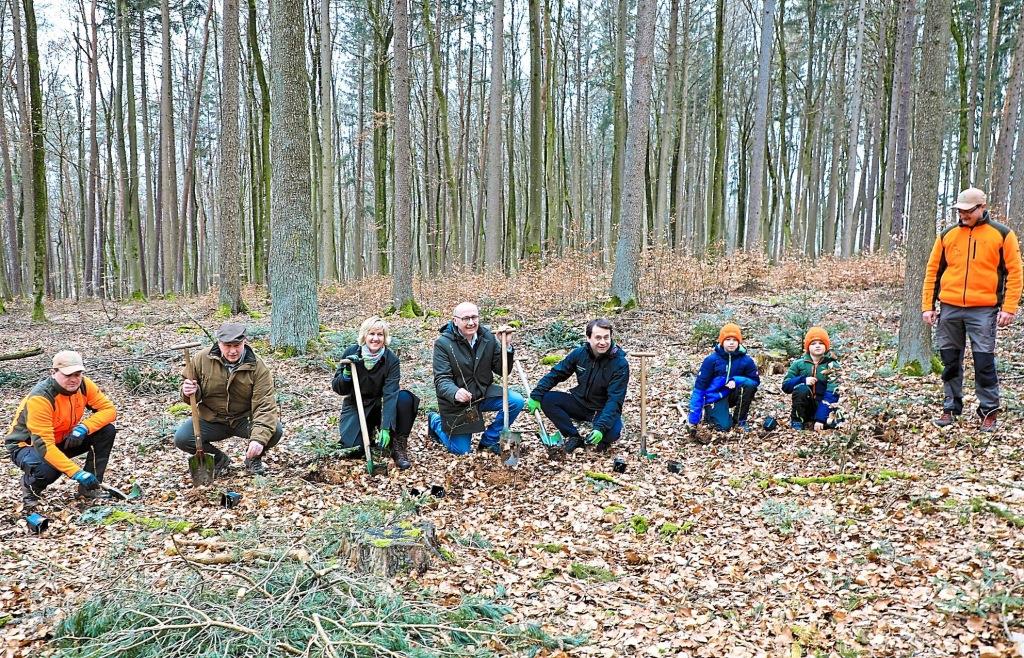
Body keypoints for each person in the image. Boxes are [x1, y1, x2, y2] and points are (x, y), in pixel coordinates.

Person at [922, 187, 1022, 431]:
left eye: (968, 210)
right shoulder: (947, 235)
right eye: (960, 210)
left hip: (984, 309)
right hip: (949, 308)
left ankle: (989, 411)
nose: (963, 214)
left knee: (984, 362)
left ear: (982, 208)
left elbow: (1015, 272)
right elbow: (933, 271)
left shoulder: (1002, 234)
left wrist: (1009, 307)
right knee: (950, 362)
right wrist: (928, 306)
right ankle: (950, 408)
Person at [6, 350, 118, 510]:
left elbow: (109, 410)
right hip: (27, 446)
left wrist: (84, 427)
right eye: (68, 375)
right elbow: (44, 446)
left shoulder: (84, 385)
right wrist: (76, 472)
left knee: (106, 431)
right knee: (49, 469)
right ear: (53, 372)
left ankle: (90, 487)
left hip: (63, 438)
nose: (74, 379)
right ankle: (31, 489)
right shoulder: (41, 398)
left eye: (77, 374)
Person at [174, 322, 283, 475]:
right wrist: (189, 391)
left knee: (274, 431)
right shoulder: (201, 359)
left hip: (244, 419)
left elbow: (264, 405)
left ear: (244, 342)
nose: (232, 351)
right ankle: (219, 460)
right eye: (227, 346)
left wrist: (258, 439)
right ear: (219, 343)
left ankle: (253, 458)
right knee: (183, 438)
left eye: (237, 345)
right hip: (212, 418)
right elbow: (188, 392)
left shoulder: (258, 367)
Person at [428, 302, 521, 455]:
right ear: (455, 320)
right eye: (466, 318)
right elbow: (441, 379)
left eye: (474, 317)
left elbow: (501, 370)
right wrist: (455, 392)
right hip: (459, 401)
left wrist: (506, 346)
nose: (471, 322)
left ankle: (489, 441)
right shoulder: (443, 344)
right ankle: (435, 421)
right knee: (461, 450)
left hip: (483, 392)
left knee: (515, 401)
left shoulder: (487, 337)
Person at [526, 318, 630, 453]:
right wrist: (536, 395)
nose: (603, 342)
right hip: (580, 403)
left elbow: (615, 400)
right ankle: (574, 436)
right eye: (598, 337)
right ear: (588, 338)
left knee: (613, 433)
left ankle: (603, 441)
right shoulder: (579, 354)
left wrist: (600, 428)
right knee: (547, 399)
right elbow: (557, 374)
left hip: (602, 408)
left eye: (606, 337)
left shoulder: (620, 364)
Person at [331, 316, 419, 470]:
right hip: (356, 405)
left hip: (380, 405)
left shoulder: (391, 360)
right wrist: (346, 375)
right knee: (353, 448)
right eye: (371, 334)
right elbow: (338, 389)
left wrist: (386, 426)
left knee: (404, 398)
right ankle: (368, 432)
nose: (375, 338)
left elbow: (391, 393)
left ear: (385, 338)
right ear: (364, 335)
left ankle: (397, 446)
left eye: (380, 334)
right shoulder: (351, 352)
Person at [685, 323, 760, 433]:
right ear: (722, 341)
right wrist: (693, 420)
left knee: (748, 385)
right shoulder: (711, 360)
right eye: (728, 339)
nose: (731, 342)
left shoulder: (746, 360)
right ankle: (711, 413)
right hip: (715, 397)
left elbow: (755, 381)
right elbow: (699, 389)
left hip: (733, 394)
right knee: (724, 427)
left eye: (734, 340)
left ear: (739, 342)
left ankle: (740, 422)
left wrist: (736, 380)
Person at [781, 327, 840, 431]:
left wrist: (820, 419)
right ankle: (797, 421)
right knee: (801, 389)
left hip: (825, 407)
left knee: (836, 423)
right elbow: (786, 386)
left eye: (821, 343)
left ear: (826, 346)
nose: (817, 345)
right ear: (808, 347)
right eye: (813, 343)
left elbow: (832, 393)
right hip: (806, 406)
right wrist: (803, 380)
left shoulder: (832, 365)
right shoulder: (798, 364)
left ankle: (821, 419)